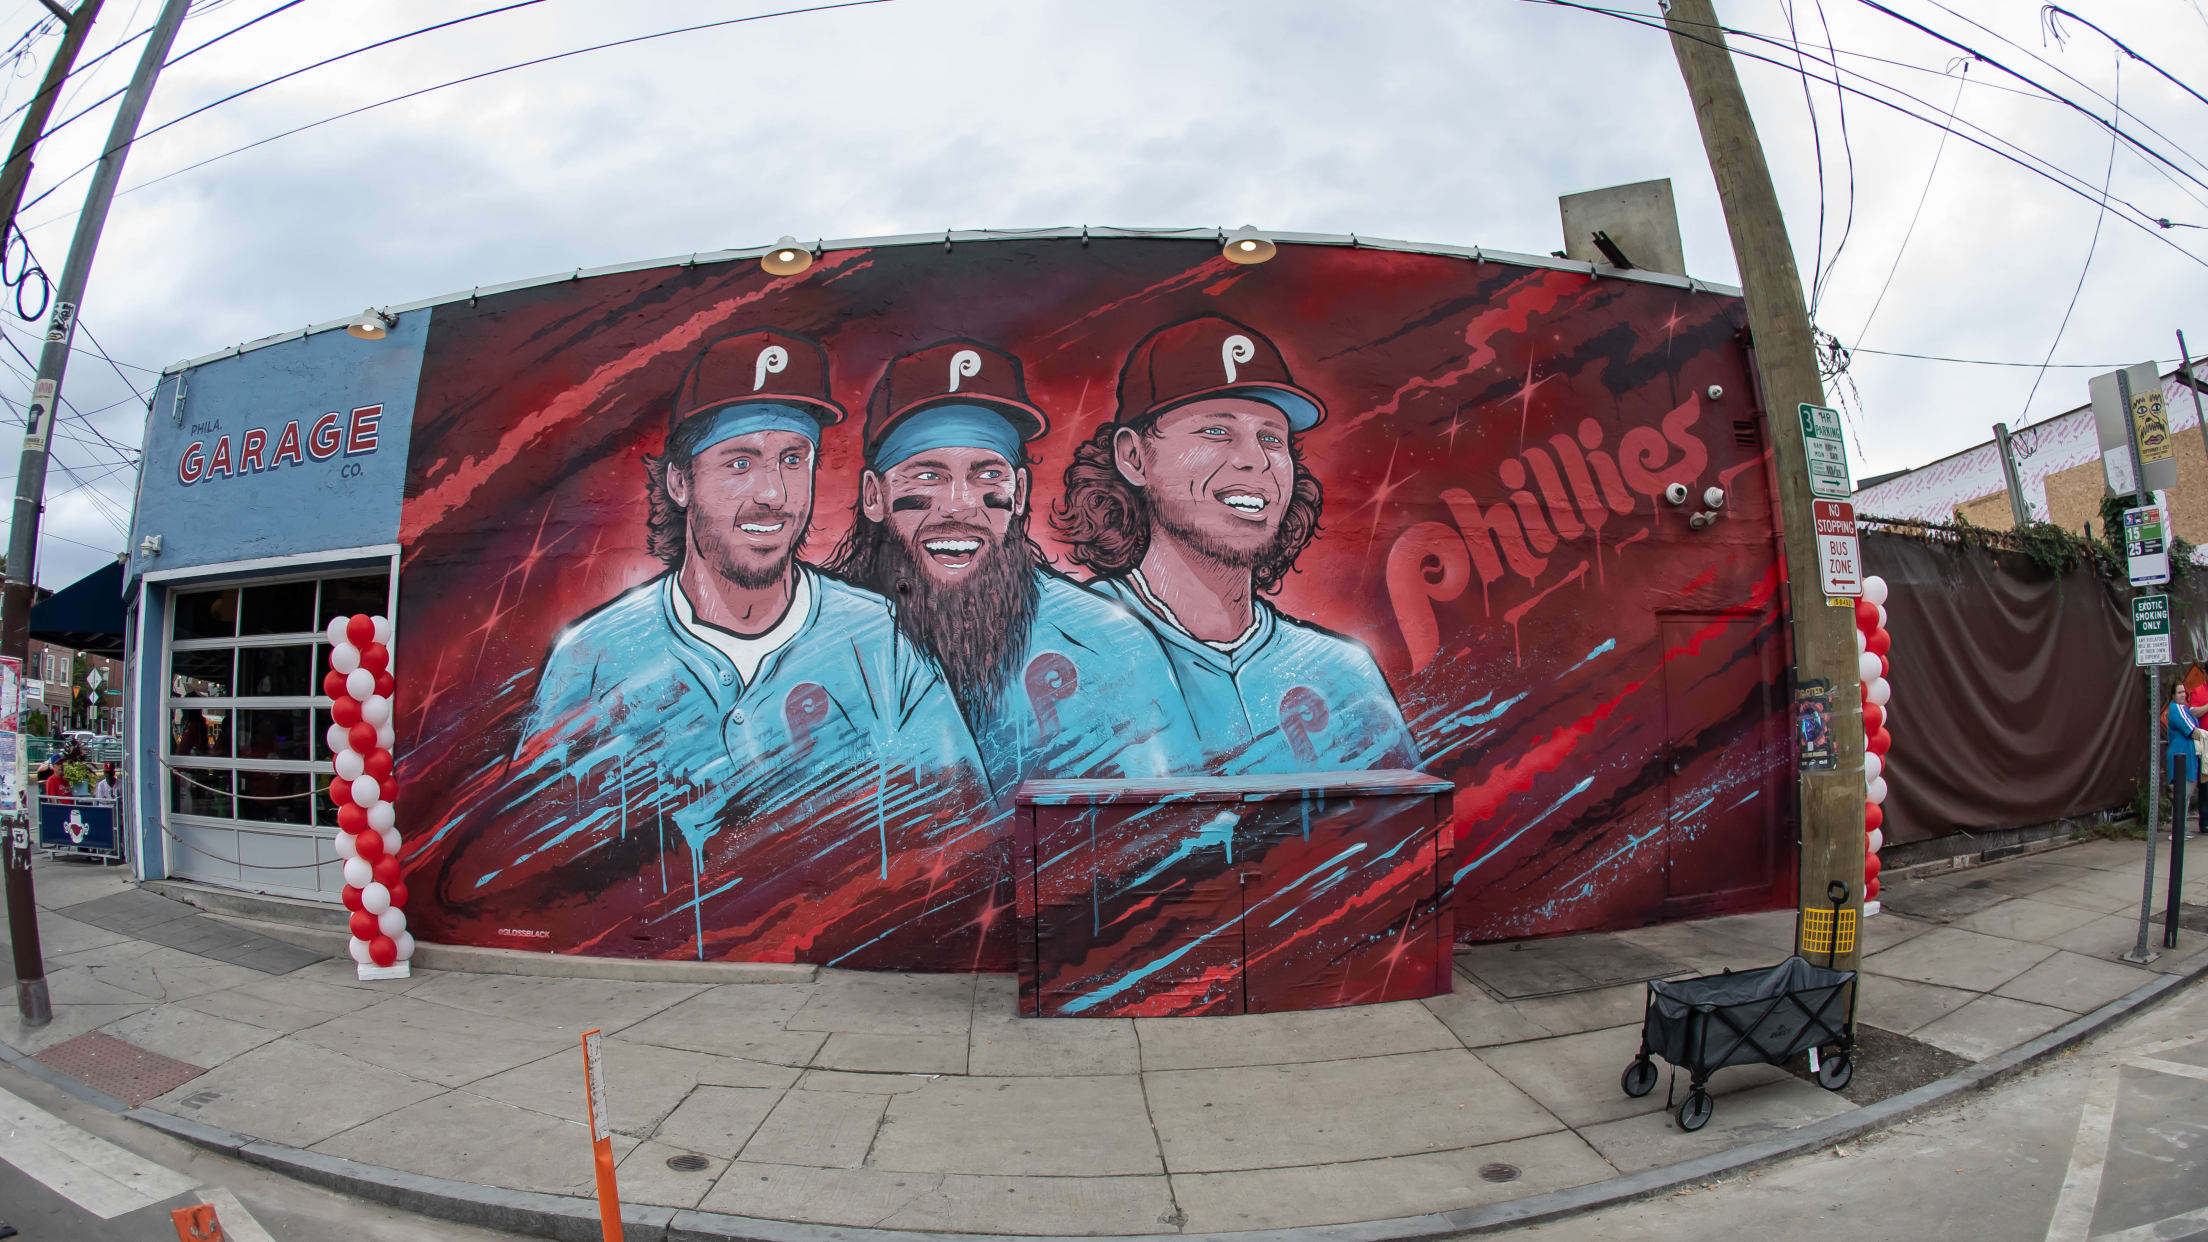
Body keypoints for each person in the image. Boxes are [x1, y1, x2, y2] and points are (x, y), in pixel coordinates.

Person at [510, 328, 991, 965]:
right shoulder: (595, 654)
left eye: (794, 459)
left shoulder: (884, 640)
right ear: (680, 482)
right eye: (740, 463)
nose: (774, 493)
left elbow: (963, 846)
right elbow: (534, 859)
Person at [826, 338, 1198, 793]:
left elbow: (1169, 825)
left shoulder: (1107, 643)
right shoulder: (825, 647)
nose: (959, 507)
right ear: (873, 496)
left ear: (1019, 493)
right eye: (928, 476)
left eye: (987, 475)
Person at [1053, 314, 1420, 774]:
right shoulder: (1070, 647)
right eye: (1215, 431)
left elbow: (1404, 835)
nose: (1255, 460)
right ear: (1133, 457)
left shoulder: (1343, 673)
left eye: (1271, 437)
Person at [2168, 681, 2204, 838]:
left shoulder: (2183, 709)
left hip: (2188, 755)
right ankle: (2177, 830)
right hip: (2181, 756)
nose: (2183, 695)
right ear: (2173, 695)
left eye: (2184, 692)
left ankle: (2181, 829)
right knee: (2182, 794)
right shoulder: (2177, 709)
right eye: (2180, 692)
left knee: (2186, 795)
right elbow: (2193, 731)